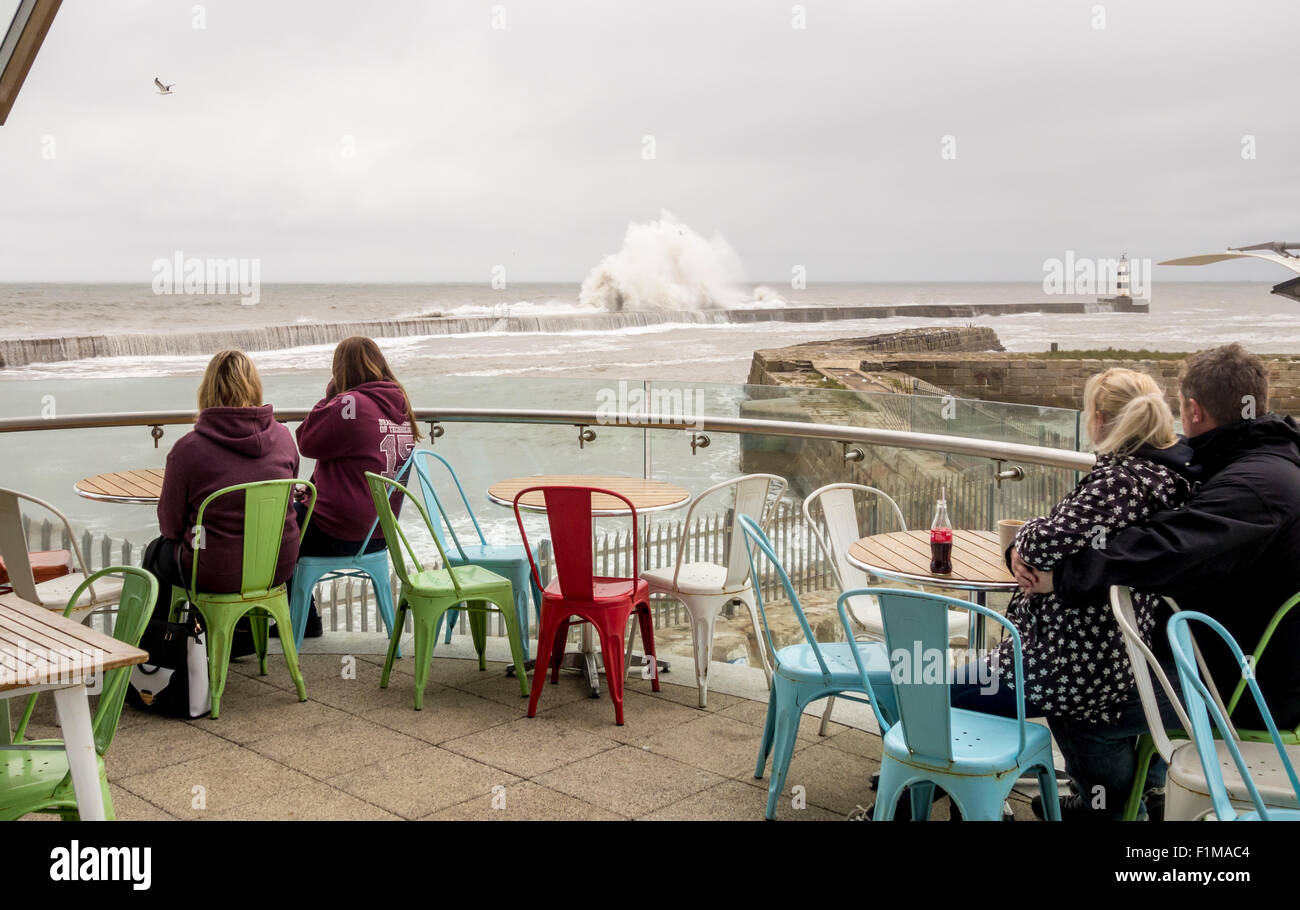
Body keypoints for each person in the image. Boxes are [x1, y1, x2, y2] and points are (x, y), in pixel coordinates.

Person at [1019, 343, 1300, 820]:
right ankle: (1142, 793)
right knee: (1095, 673)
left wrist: (1062, 575)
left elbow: (1166, 547)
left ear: (1191, 409)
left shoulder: (1254, 485)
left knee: (1079, 695)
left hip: (1241, 690)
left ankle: (1109, 806)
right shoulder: (1270, 461)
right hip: (1252, 665)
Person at [143, 350, 301, 615]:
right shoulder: (285, 438)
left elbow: (169, 526)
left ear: (207, 389)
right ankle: (240, 634)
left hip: (215, 571)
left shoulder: (188, 449)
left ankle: (166, 642)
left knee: (156, 552)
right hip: (278, 566)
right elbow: (288, 501)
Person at [288, 336, 421, 637]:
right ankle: (304, 620)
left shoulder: (350, 403)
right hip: (378, 533)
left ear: (341, 369)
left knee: (275, 530)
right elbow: (358, 462)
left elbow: (306, 442)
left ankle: (289, 622)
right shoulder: (399, 404)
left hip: (338, 533)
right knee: (290, 521)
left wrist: (330, 397)